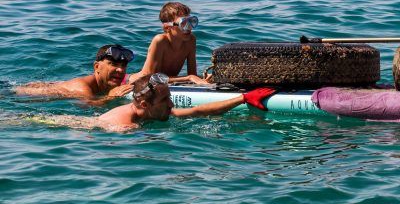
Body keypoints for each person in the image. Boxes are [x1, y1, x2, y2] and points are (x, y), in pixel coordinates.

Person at [96, 73, 276, 131]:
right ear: (145, 105)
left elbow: (198, 111)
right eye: (165, 100)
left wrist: (242, 98)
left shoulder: (151, 111)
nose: (171, 105)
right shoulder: (126, 127)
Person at [15, 44, 135, 100]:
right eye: (113, 64)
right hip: (19, 94)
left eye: (123, 66)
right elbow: (88, 107)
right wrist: (110, 97)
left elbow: (145, 74)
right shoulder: (82, 88)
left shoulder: (112, 81)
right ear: (97, 67)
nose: (120, 70)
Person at [132, 1, 208, 85]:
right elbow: (150, 78)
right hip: (134, 82)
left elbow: (193, 75)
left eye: (191, 22)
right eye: (183, 24)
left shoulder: (191, 40)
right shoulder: (160, 41)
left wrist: (204, 78)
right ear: (167, 27)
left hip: (165, 82)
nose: (188, 27)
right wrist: (188, 78)